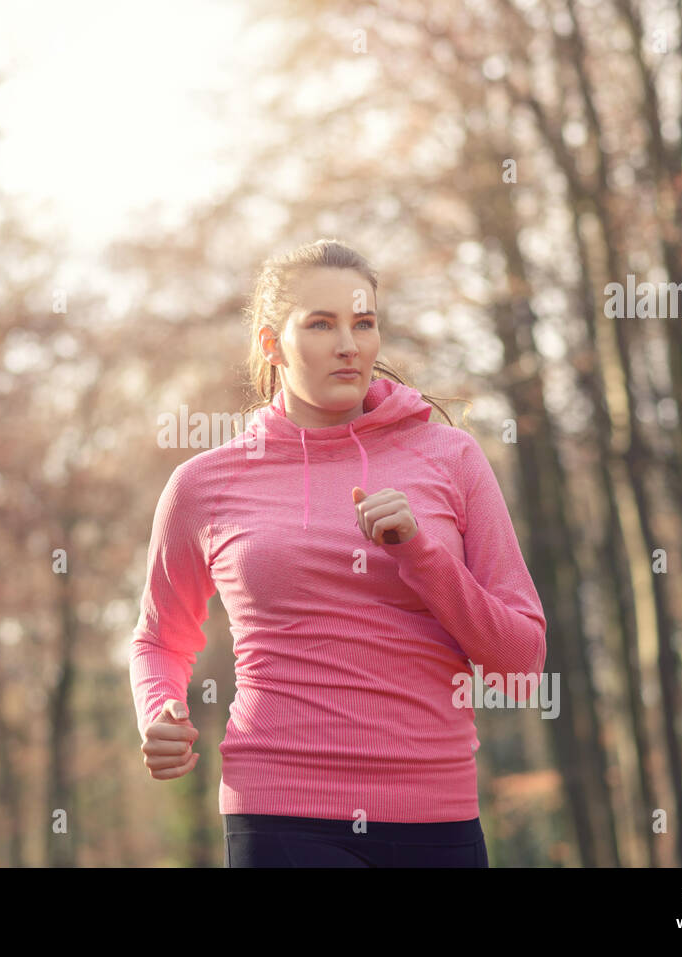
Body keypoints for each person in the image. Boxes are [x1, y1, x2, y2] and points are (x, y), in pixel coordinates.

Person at [130, 239, 547, 867]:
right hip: (278, 811)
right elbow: (160, 639)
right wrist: (158, 711)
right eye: (321, 324)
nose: (348, 344)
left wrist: (422, 555)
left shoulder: (450, 458)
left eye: (364, 323)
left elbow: (521, 664)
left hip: (432, 812)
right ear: (272, 345)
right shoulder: (204, 483)